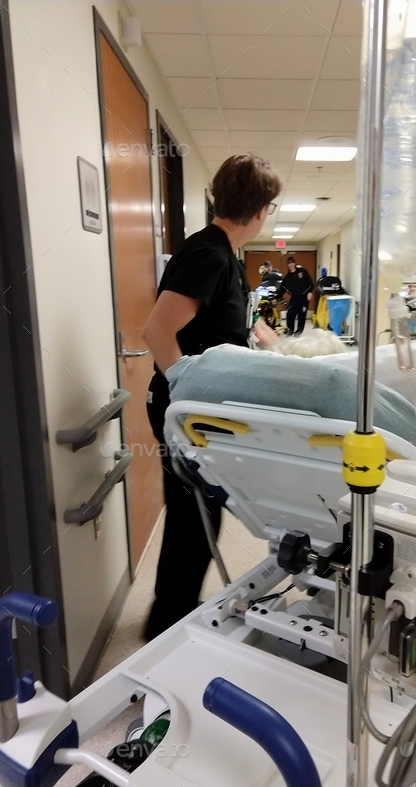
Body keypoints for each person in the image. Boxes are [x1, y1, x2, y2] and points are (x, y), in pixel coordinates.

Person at [142, 153, 282, 641]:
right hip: (185, 408)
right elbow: (157, 332)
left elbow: (217, 325)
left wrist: (267, 342)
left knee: (198, 512)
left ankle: (171, 610)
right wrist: (188, 400)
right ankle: (167, 622)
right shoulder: (210, 254)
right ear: (262, 209)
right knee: (194, 516)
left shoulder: (221, 252)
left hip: (193, 407)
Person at [281, 257, 314, 335]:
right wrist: (276, 297)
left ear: (294, 263)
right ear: (287, 265)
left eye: (292, 262)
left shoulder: (302, 271)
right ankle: (291, 329)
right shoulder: (287, 277)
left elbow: (310, 282)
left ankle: (299, 330)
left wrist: (310, 292)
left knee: (302, 314)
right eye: (289, 263)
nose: (291, 264)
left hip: (304, 297)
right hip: (294, 297)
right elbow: (282, 288)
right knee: (290, 313)